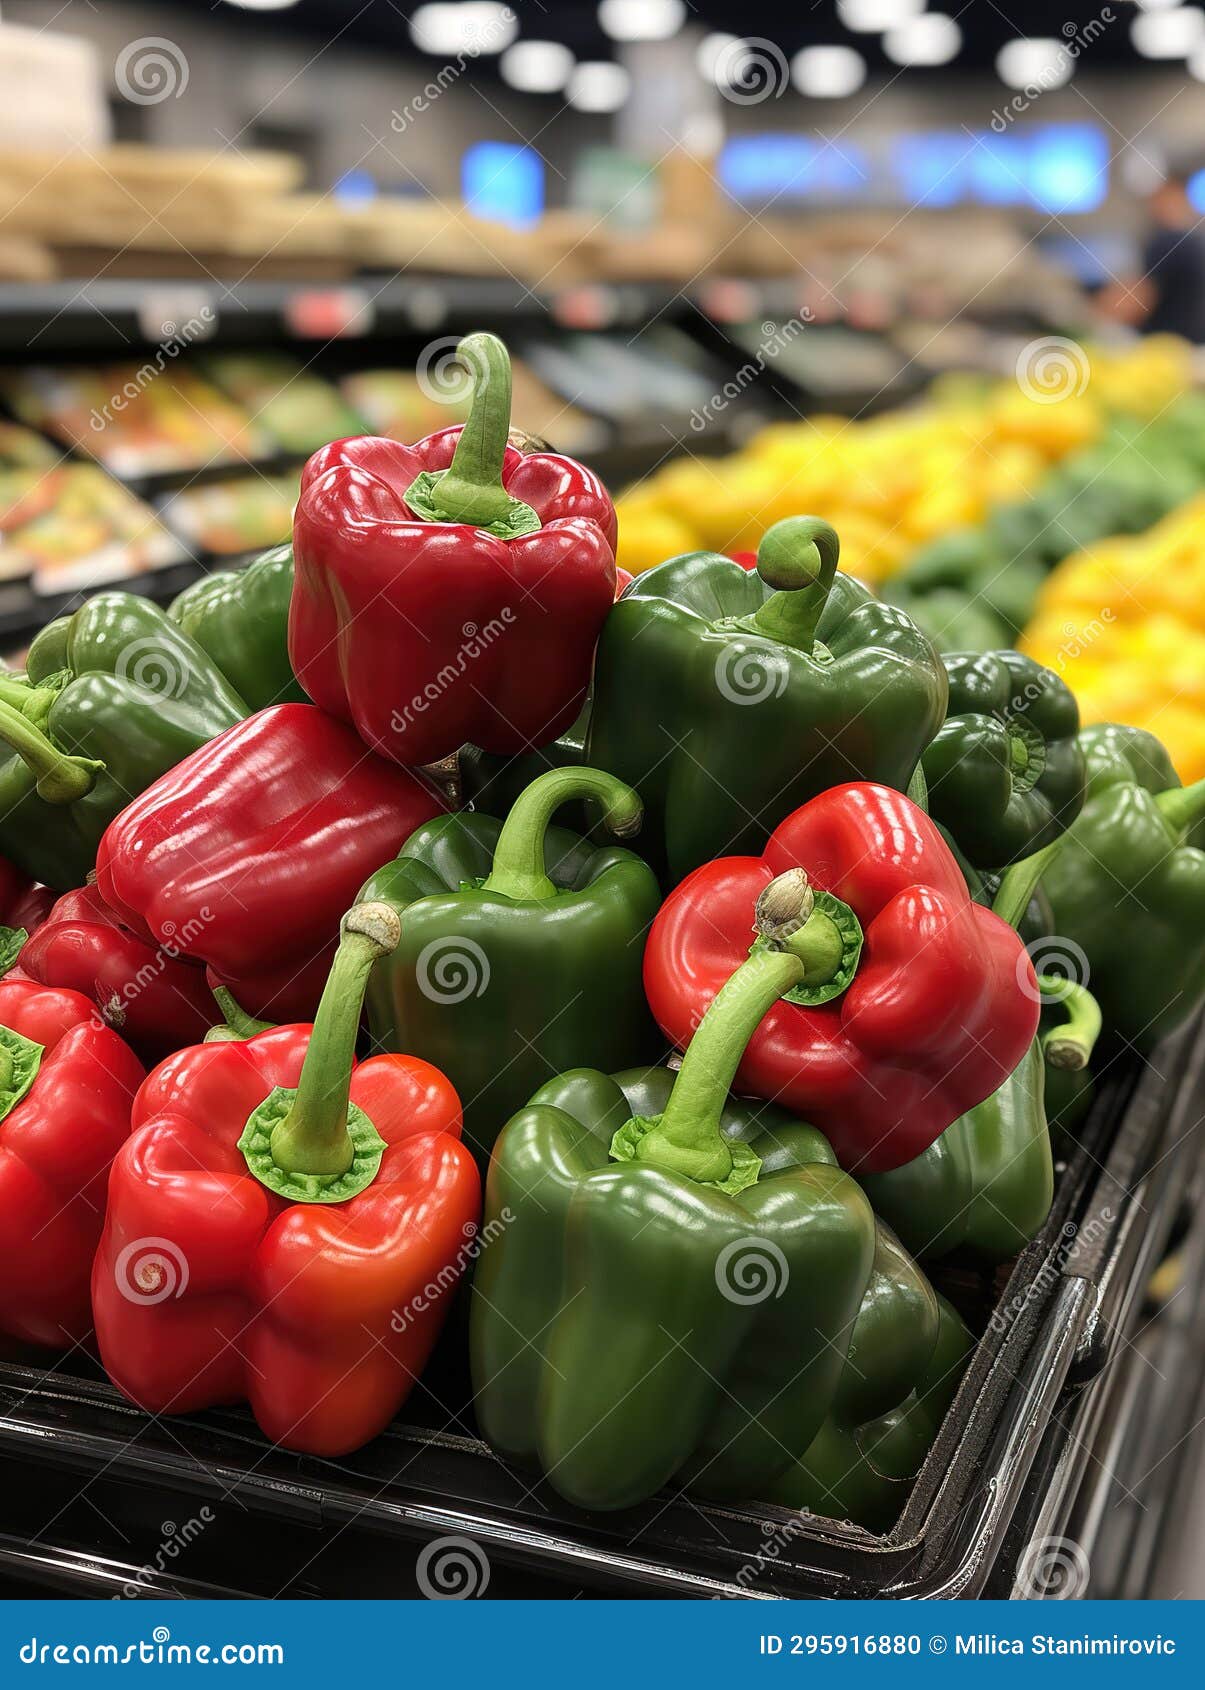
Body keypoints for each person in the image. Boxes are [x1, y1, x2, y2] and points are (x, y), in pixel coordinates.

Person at [1100, 168, 1205, 342]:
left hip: (1168, 348)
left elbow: (1134, 301)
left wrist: (1087, 314)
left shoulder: (1169, 241)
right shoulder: (1194, 239)